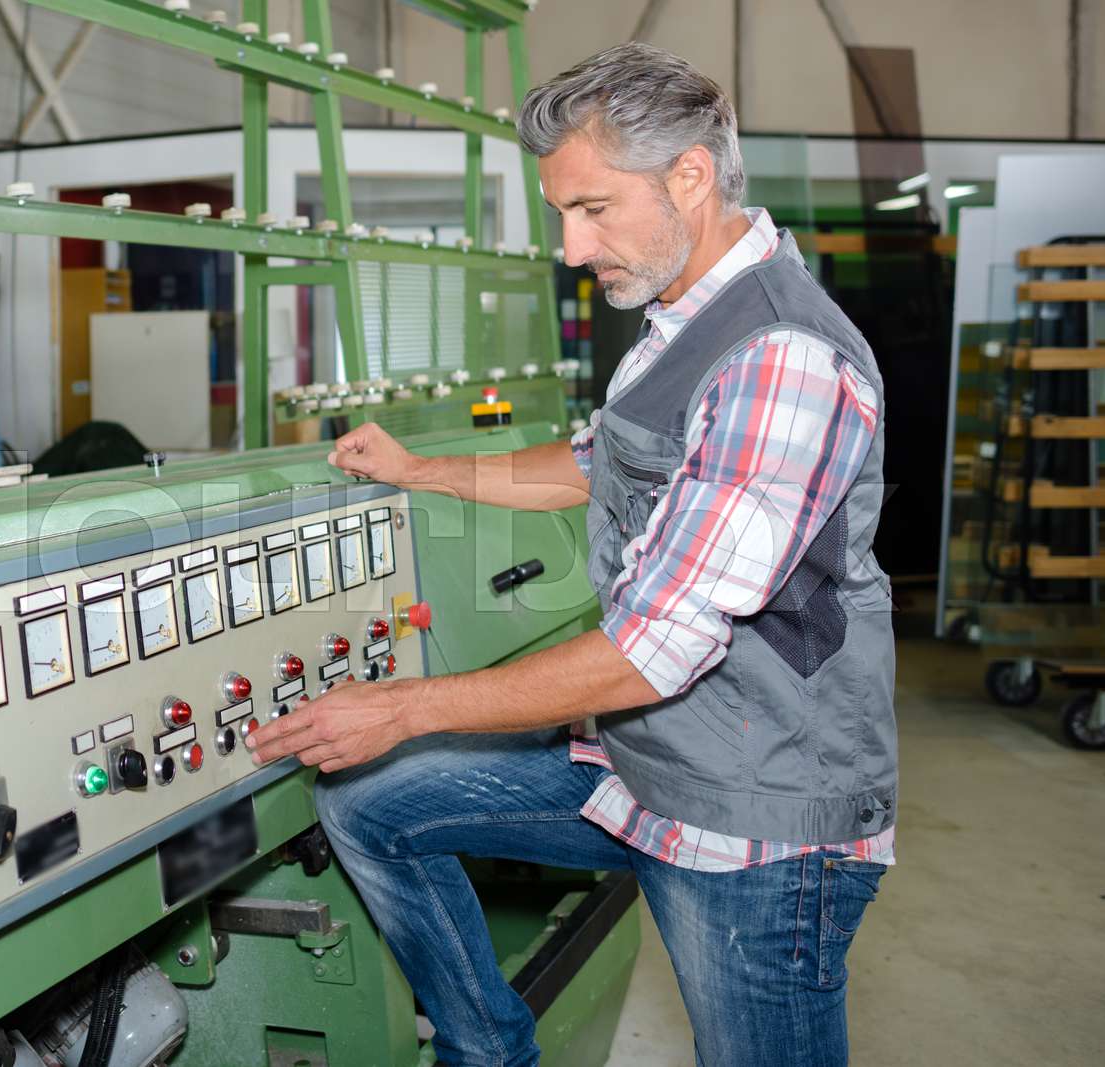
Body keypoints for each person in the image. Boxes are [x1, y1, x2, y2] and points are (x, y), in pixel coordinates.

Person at [244, 41, 896, 1067]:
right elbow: (600, 459)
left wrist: (402, 704)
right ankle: (489, 1048)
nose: (570, 246)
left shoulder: (780, 356)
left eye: (592, 208)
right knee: (370, 804)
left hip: (757, 823)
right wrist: (428, 472)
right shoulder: (683, 318)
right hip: (650, 767)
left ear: (689, 173)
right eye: (561, 214)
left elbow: (654, 649)